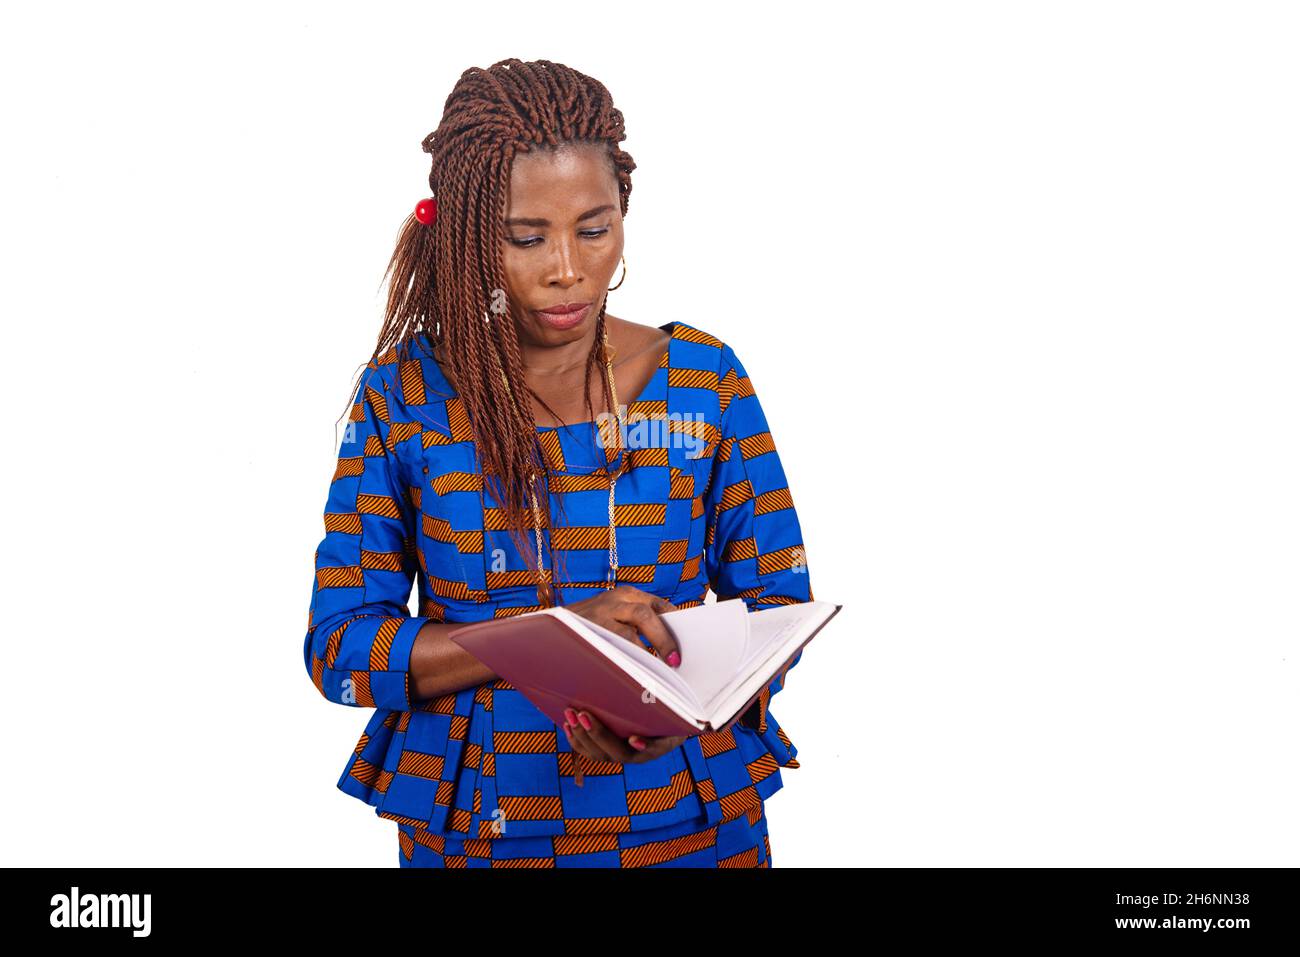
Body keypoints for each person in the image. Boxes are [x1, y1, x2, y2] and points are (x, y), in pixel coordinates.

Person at [302, 58, 816, 867]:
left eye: (595, 226)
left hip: (690, 825)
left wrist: (668, 709)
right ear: (469, 232)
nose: (567, 268)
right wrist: (549, 636)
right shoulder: (404, 398)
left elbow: (778, 605)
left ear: (625, 216)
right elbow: (340, 649)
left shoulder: (705, 382)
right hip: (483, 832)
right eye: (525, 236)